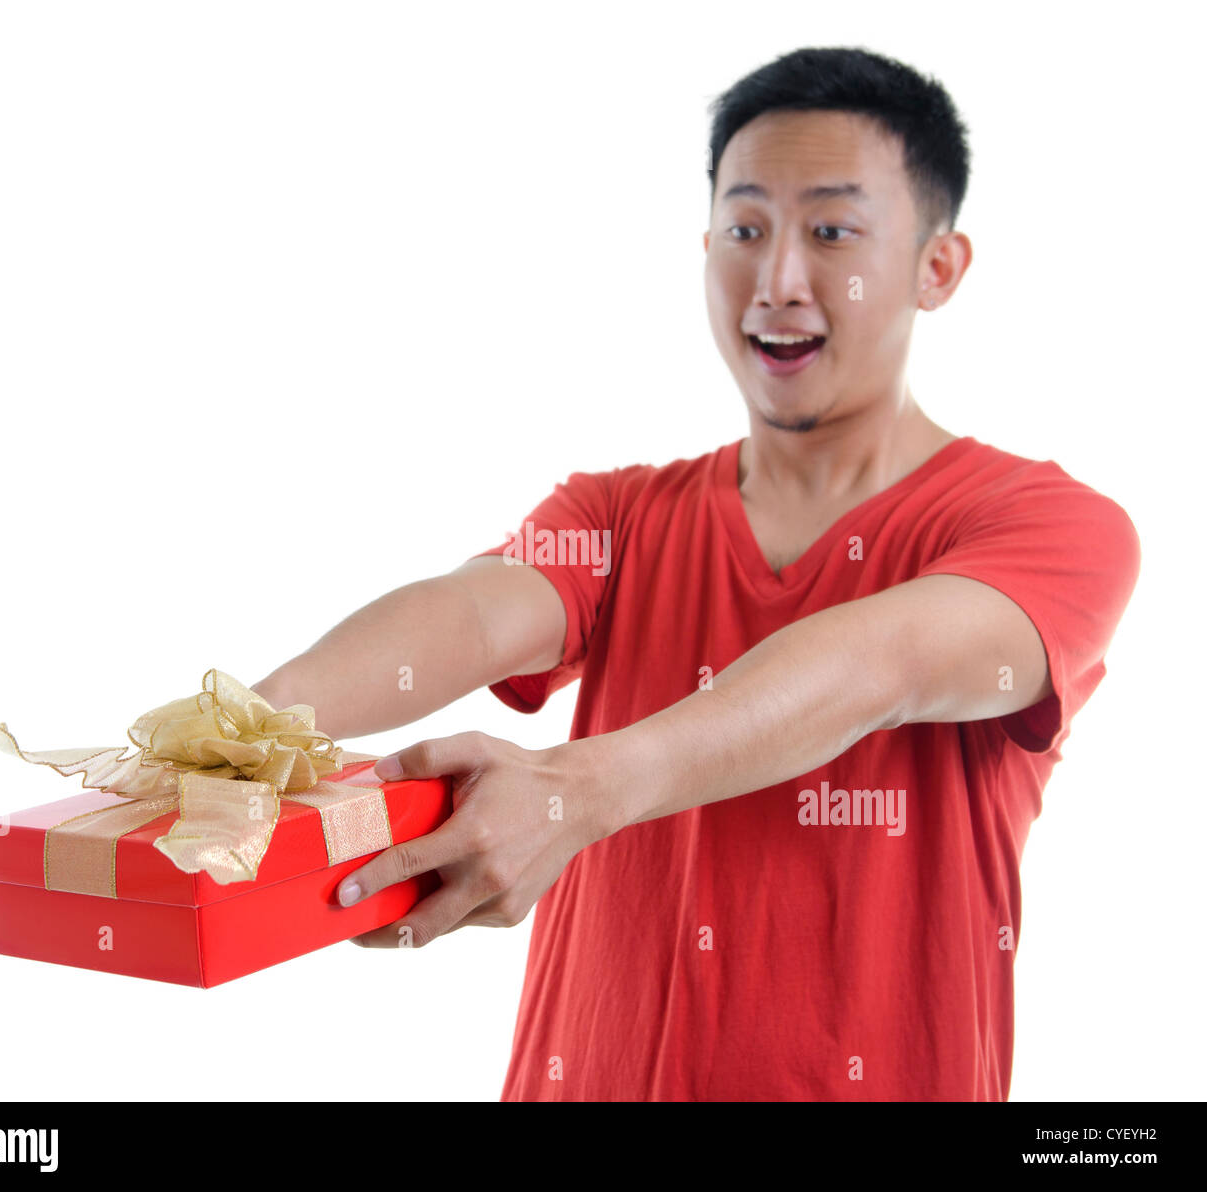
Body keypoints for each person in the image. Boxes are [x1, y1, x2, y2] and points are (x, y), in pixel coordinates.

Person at [252, 46, 1140, 1101]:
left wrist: (574, 792)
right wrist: (251, 723)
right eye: (745, 228)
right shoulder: (616, 514)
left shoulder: (1051, 527)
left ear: (935, 268)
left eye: (831, 232)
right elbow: (475, 614)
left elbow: (880, 664)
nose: (777, 282)